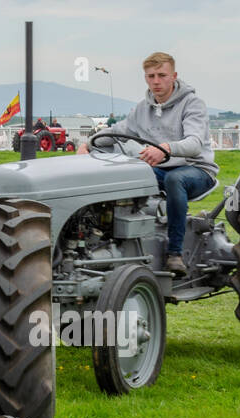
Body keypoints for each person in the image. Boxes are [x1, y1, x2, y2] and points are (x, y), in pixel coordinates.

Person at [79, 52, 217, 277]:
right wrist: (88, 145)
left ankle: (175, 254)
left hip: (196, 170)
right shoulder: (142, 109)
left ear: (174, 76)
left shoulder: (192, 104)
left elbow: (194, 144)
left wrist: (165, 149)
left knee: (175, 179)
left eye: (161, 75)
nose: (156, 81)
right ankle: (114, 245)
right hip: (161, 169)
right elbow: (119, 132)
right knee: (125, 173)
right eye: (151, 76)